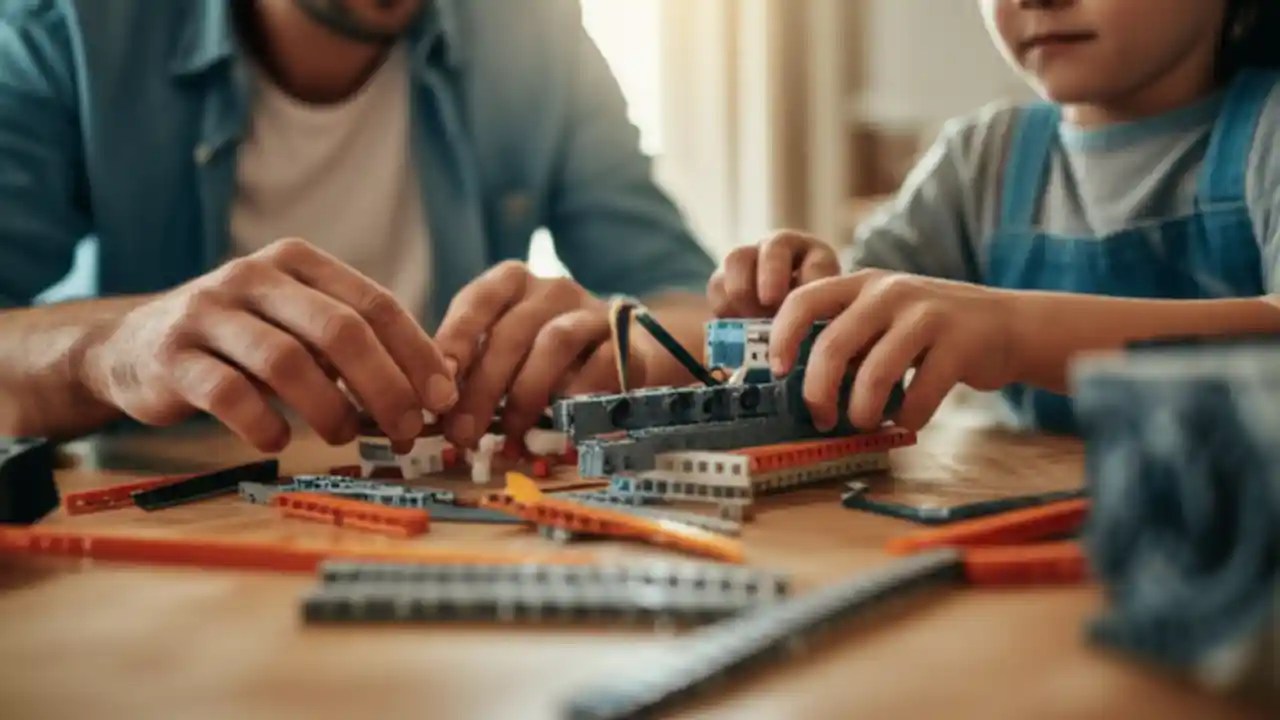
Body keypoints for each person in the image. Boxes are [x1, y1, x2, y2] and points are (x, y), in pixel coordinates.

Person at [0, 0, 715, 452]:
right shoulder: (69, 28)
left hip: (452, 529)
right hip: (161, 540)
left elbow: (693, 308)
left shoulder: (535, 32)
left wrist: (615, 349)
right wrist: (111, 351)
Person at [709, 0, 1280, 435]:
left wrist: (1010, 334)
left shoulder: (1267, 132)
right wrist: (800, 303)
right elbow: (863, 315)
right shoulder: (983, 158)